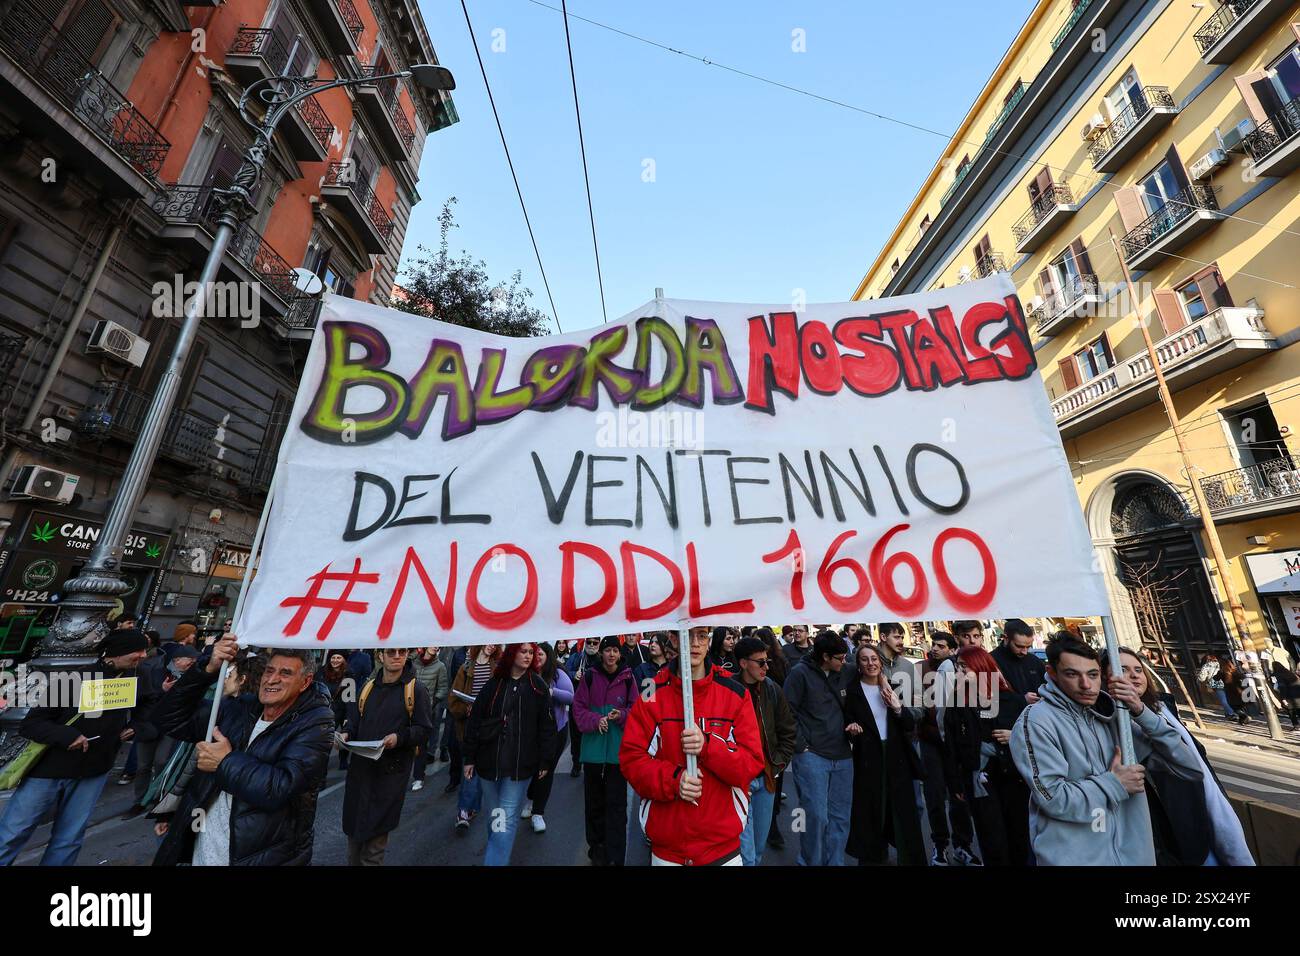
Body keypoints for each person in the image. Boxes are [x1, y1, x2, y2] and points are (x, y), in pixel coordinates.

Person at [1009, 633, 1203, 866]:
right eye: (1072, 674)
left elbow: (1189, 768)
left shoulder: (1113, 716)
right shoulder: (1037, 721)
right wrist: (1114, 784)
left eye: (1092, 675)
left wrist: (1141, 712)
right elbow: (1053, 798)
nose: (1086, 685)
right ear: (1052, 673)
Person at [153, 635, 334, 866]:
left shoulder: (316, 723)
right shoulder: (241, 708)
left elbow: (281, 787)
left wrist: (225, 761)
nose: (272, 679)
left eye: (285, 673)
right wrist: (206, 669)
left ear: (306, 681)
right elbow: (169, 720)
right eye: (269, 671)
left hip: (258, 855)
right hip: (204, 849)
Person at [0, 629, 149, 866]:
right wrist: (68, 735)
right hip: (49, 771)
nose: (143, 655)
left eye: (144, 650)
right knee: (13, 833)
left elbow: (149, 707)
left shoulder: (138, 679)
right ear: (117, 652)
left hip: (94, 770)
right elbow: (32, 724)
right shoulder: (74, 677)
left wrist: (137, 726)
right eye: (137, 650)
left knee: (69, 838)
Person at [620, 627, 763, 866]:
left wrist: (708, 747)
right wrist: (674, 780)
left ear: (709, 641)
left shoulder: (735, 692)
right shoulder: (650, 689)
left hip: (723, 848)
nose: (695, 643)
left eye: (702, 635)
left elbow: (751, 763)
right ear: (674, 640)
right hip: (668, 848)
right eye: (687, 635)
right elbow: (631, 759)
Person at [1103, 648, 1253, 865]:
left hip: (1201, 822)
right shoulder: (1112, 724)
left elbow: (1195, 766)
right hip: (1166, 840)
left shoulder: (1164, 709)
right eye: (1123, 670)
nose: (1134, 675)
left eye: (1138, 669)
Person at [462, 643, 556, 866]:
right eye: (523, 651)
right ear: (512, 653)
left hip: (519, 767)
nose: (528, 656)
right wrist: (469, 758)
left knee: (506, 817)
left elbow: (547, 727)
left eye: (531, 652)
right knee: (496, 816)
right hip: (489, 764)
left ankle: (494, 861)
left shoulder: (538, 687)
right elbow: (475, 722)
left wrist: (546, 760)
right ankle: (496, 853)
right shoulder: (494, 685)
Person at [340, 647, 432, 866]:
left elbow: (424, 730)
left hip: (389, 777)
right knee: (353, 845)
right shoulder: (368, 686)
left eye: (402, 651)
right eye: (391, 652)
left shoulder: (416, 690)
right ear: (380, 655)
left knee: (373, 850)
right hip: (361, 773)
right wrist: (346, 733)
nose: (397, 656)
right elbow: (355, 720)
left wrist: (398, 738)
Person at [843, 643, 925, 865]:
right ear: (858, 664)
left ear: (880, 662)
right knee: (872, 811)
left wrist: (897, 708)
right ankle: (873, 857)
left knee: (903, 812)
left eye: (874, 659)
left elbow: (909, 724)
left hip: (897, 757)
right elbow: (847, 721)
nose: (870, 663)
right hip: (868, 758)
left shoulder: (894, 686)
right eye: (864, 659)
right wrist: (851, 728)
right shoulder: (852, 691)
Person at [945, 645, 1027, 866]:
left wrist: (1014, 737)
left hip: (1014, 779)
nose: (959, 673)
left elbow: (1034, 740)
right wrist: (955, 785)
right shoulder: (957, 703)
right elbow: (951, 747)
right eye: (957, 667)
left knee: (1019, 837)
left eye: (964, 667)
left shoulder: (1012, 700)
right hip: (979, 779)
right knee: (992, 839)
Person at [783, 629, 854, 866]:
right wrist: (801, 745)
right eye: (840, 658)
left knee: (840, 817)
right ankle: (810, 861)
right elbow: (787, 713)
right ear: (825, 656)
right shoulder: (799, 674)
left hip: (844, 755)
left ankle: (835, 862)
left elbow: (872, 676)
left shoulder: (845, 672)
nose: (844, 662)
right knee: (815, 816)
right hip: (812, 756)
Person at [572, 636, 637, 866]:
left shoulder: (629, 678)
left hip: (618, 754)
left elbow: (636, 711)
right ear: (601, 653)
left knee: (617, 806)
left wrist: (622, 716)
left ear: (620, 654)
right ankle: (597, 849)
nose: (611, 654)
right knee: (594, 804)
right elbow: (578, 708)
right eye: (607, 650)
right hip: (593, 753)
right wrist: (595, 719)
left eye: (615, 651)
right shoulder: (590, 676)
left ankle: (616, 853)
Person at [733, 636, 796, 866]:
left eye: (767, 661)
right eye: (760, 662)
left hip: (767, 778)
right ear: (743, 663)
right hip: (739, 780)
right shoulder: (727, 689)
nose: (766, 667)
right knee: (747, 854)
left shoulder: (772, 689)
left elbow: (788, 729)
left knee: (758, 850)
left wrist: (777, 764)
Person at [917, 630, 977, 866]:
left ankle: (963, 845)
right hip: (931, 740)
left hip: (956, 745)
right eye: (934, 644)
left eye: (941, 646)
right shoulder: (920, 669)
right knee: (934, 795)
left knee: (959, 796)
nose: (935, 648)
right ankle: (940, 846)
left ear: (952, 649)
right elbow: (916, 701)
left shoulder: (962, 669)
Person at [446, 644, 499, 825]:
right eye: (488, 641)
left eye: (494, 643)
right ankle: (463, 810)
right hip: (469, 728)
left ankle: (472, 807)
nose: (491, 646)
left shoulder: (497, 669)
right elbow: (453, 701)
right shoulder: (465, 668)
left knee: (478, 769)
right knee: (470, 768)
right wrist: (467, 709)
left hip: (489, 728)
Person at [522, 642, 572, 833]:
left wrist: (551, 691)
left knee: (547, 770)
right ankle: (531, 797)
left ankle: (538, 812)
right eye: (534, 654)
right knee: (534, 768)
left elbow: (571, 697)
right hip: (532, 732)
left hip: (555, 732)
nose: (537, 657)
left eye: (540, 654)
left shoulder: (558, 674)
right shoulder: (527, 674)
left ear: (547, 655)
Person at [410, 646, 448, 791]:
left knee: (421, 745)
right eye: (433, 643)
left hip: (426, 711)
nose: (435, 646)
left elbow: (443, 688)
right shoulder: (413, 663)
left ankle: (419, 777)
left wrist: (432, 702)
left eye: (437, 644)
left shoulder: (440, 666)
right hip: (408, 708)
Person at [563, 637, 602, 777]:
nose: (591, 645)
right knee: (576, 735)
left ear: (599, 644)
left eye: (595, 643)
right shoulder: (576, 657)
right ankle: (576, 763)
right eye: (589, 642)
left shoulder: (601, 659)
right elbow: (564, 672)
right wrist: (574, 674)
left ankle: (592, 762)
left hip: (594, 704)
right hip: (577, 703)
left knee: (593, 734)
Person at [991, 618, 1045, 708]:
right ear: (1005, 638)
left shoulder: (1034, 661)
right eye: (1019, 646)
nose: (1025, 652)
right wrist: (1021, 700)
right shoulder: (989, 661)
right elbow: (986, 698)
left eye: (1028, 647)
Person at [875, 622, 921, 721]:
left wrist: (908, 716)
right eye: (896, 637)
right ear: (883, 637)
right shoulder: (870, 664)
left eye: (902, 638)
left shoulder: (908, 666)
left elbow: (921, 701)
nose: (901, 642)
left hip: (904, 731)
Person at [318, 651, 352, 770]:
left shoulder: (349, 675)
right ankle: (321, 771)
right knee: (324, 741)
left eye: (339, 657)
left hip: (341, 710)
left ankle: (343, 760)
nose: (335, 660)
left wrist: (348, 717)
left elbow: (350, 698)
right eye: (333, 657)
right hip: (325, 710)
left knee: (344, 737)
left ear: (343, 660)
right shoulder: (322, 672)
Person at [1198, 654, 1235, 720]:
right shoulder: (1222, 663)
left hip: (1217, 684)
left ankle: (1231, 713)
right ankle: (1229, 712)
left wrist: (1201, 680)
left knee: (1223, 699)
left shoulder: (1207, 665)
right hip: (1228, 682)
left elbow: (1202, 677)